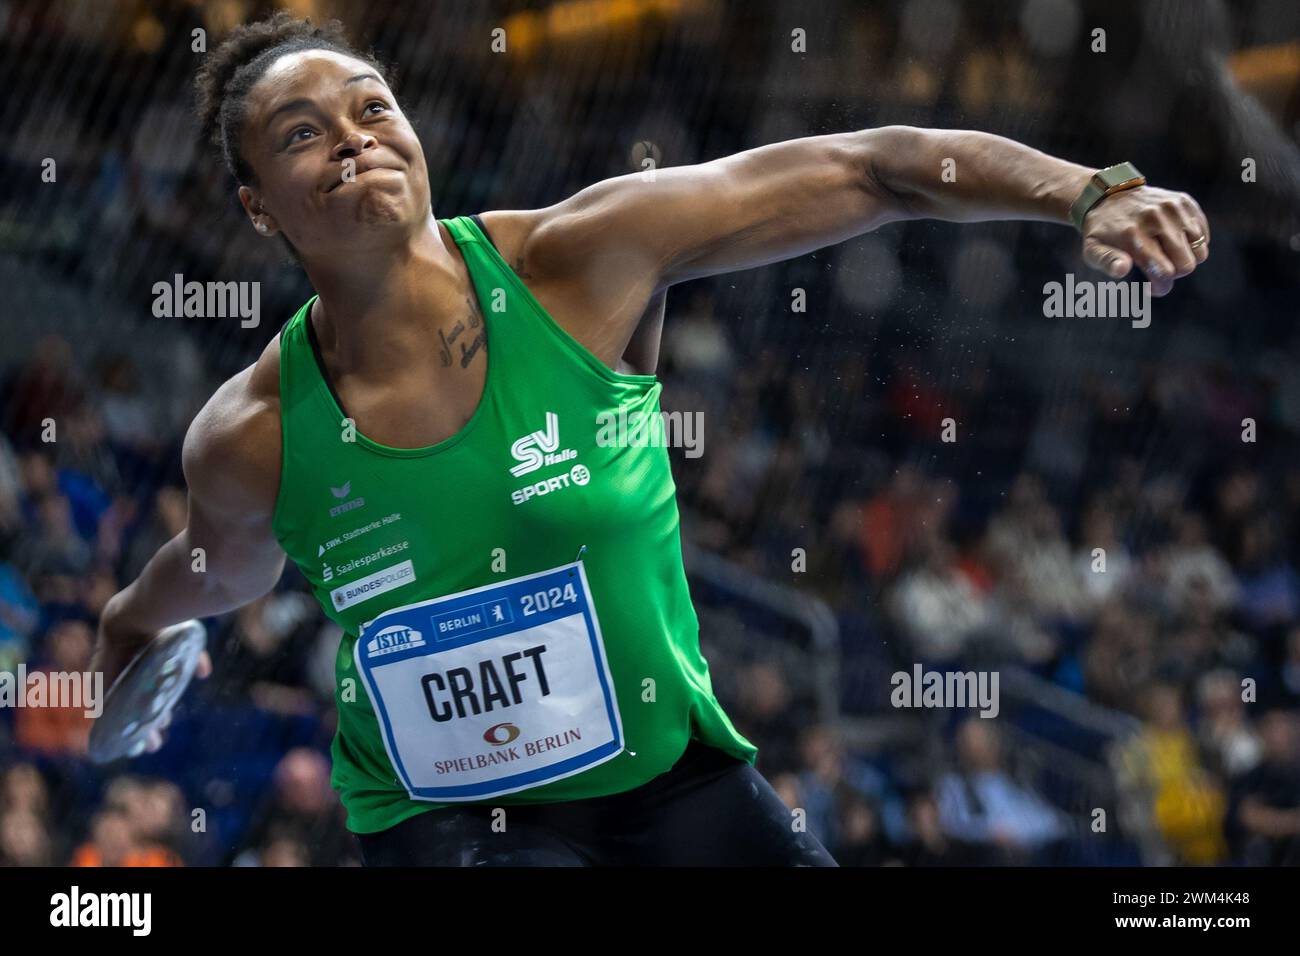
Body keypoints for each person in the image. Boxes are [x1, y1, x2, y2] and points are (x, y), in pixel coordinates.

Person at [92, 12, 1210, 866]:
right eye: (302, 135)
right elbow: (213, 568)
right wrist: (131, 622)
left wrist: (1087, 193)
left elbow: (873, 166)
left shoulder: (584, 260)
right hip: (448, 821)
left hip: (668, 773)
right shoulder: (250, 433)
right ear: (255, 206)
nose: (352, 142)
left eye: (373, 108)